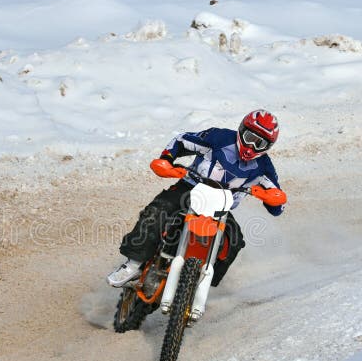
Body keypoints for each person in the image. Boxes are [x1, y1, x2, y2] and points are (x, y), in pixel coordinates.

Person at [107, 109, 287, 288]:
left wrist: (273, 199)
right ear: (241, 130)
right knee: (159, 209)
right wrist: (167, 159)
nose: (252, 147)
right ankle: (133, 264)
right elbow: (182, 140)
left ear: (267, 147)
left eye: (260, 144)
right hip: (190, 188)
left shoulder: (264, 167)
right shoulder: (218, 138)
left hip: (222, 206)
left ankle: (200, 284)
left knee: (235, 240)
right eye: (250, 138)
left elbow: (278, 205)